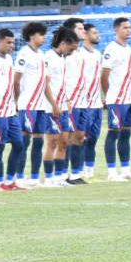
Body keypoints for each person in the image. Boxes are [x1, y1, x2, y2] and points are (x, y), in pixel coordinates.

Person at [0, 29, 26, 191]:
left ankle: (10, 180)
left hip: (11, 111)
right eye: (9, 42)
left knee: (19, 145)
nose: (12, 45)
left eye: (13, 42)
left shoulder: (9, 59)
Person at [101, 17, 131, 181]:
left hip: (129, 99)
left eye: (130, 27)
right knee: (113, 133)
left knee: (126, 134)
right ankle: (111, 172)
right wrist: (109, 96)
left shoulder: (129, 49)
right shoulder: (111, 48)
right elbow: (104, 76)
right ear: (117, 29)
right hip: (116, 99)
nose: (128, 30)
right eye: (125, 27)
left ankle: (125, 169)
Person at [14, 22, 51, 188]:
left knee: (39, 141)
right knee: (24, 141)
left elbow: (45, 82)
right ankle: (19, 177)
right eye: (41, 34)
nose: (44, 38)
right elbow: (16, 81)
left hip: (41, 106)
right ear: (32, 36)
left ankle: (35, 176)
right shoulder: (24, 54)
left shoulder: (42, 54)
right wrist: (16, 102)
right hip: (27, 105)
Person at [43, 27, 79, 187]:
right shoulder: (48, 58)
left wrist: (67, 101)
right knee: (52, 141)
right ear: (64, 43)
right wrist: (54, 104)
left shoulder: (63, 58)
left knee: (64, 140)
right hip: (51, 107)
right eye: (71, 48)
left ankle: (59, 177)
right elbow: (45, 85)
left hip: (63, 106)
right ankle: (49, 178)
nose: (72, 51)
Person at [75, 22, 104, 179]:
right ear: (85, 35)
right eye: (94, 32)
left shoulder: (98, 54)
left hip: (97, 103)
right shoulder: (79, 54)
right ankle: (77, 171)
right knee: (80, 139)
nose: (97, 35)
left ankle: (89, 171)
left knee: (93, 138)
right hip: (84, 104)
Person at [61, 18, 88, 184]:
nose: (83, 31)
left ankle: (77, 173)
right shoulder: (64, 54)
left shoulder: (81, 53)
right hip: (70, 102)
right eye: (80, 28)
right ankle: (63, 174)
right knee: (66, 139)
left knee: (79, 137)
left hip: (83, 101)